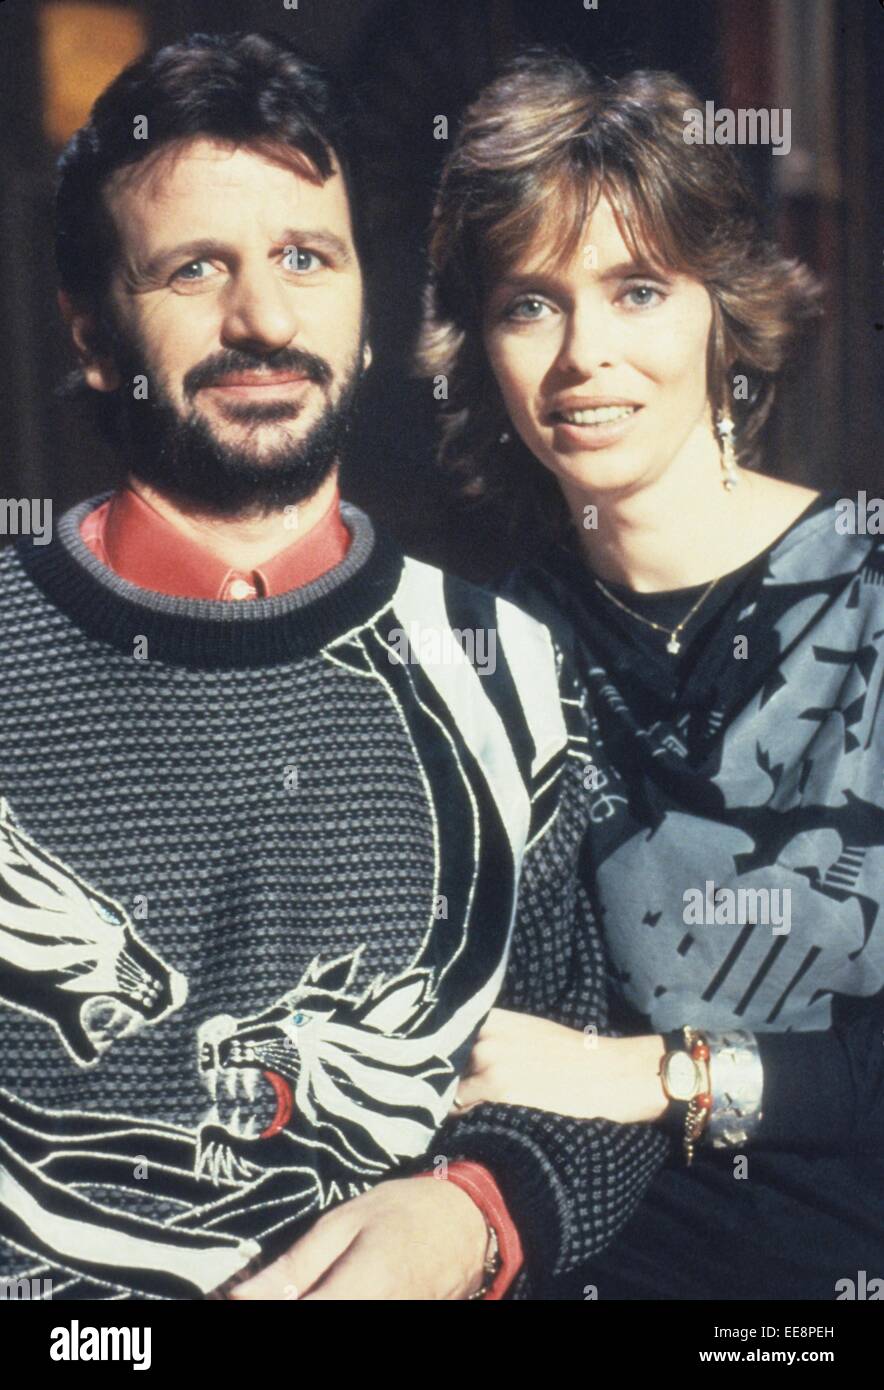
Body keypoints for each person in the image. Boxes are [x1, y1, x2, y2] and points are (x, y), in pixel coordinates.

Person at [0, 32, 670, 1302]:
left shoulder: (509, 668)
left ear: (365, 311)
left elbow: (592, 1048)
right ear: (92, 330)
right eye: (197, 269)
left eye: (305, 259)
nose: (263, 318)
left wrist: (473, 1216)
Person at [418, 50, 884, 1299]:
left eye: (634, 290)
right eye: (529, 302)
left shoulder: (870, 591)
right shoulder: (473, 639)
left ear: (720, 311)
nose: (581, 356)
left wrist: (659, 1072)